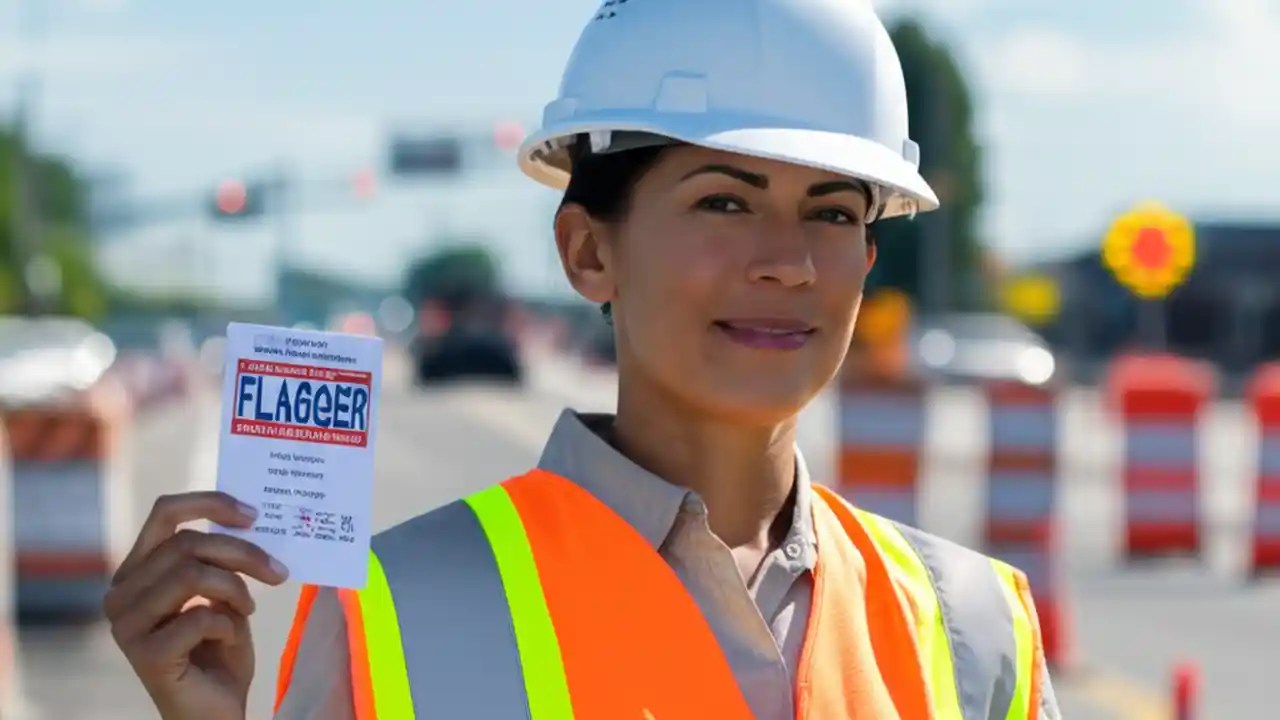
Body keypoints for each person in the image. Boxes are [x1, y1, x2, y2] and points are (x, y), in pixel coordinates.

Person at [107, 1, 1062, 718]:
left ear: (867, 257)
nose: (788, 262)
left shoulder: (976, 631)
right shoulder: (395, 613)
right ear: (588, 252)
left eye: (833, 212)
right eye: (725, 202)